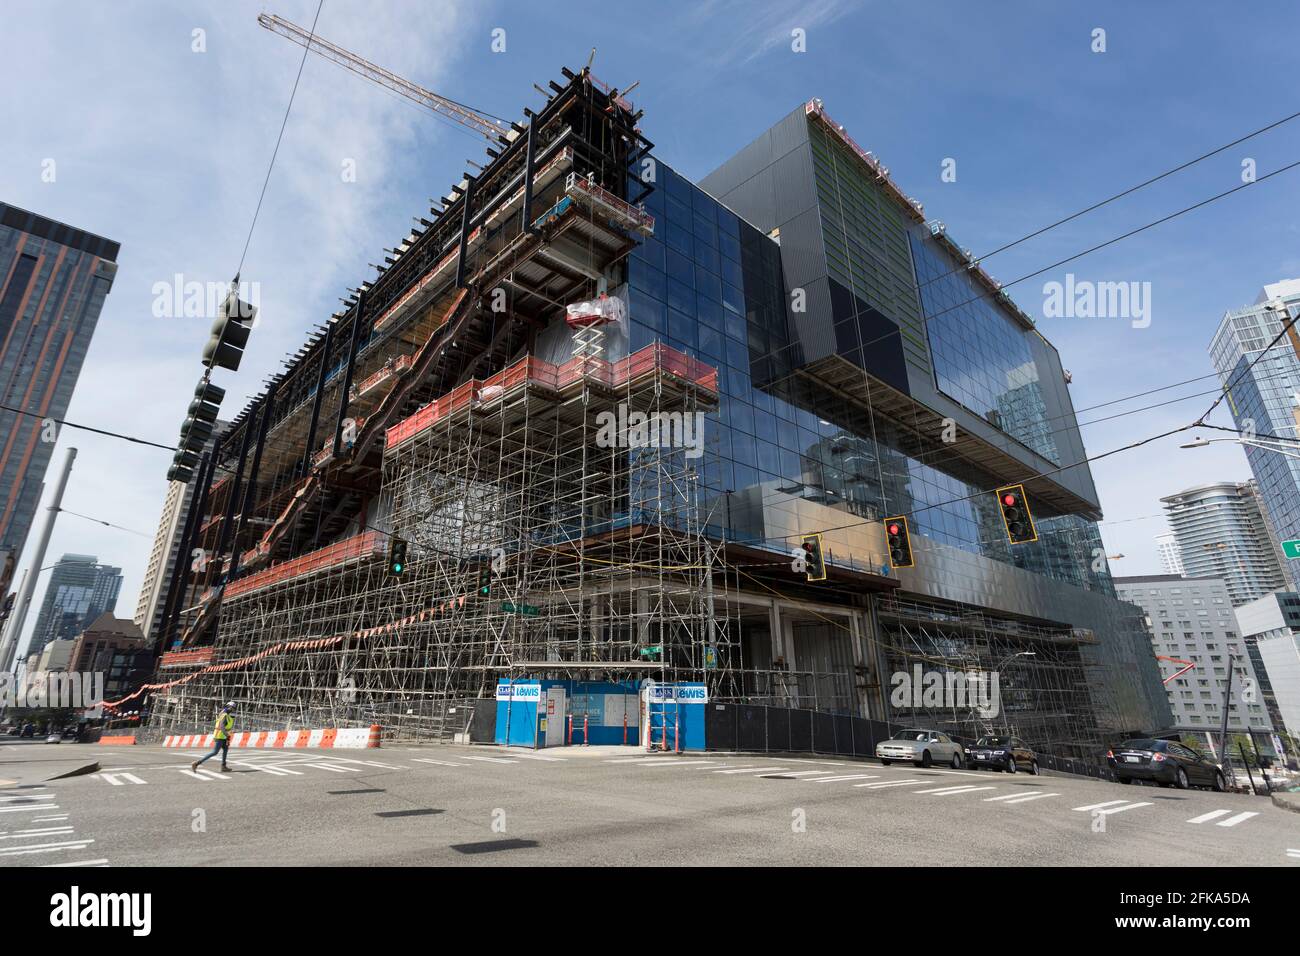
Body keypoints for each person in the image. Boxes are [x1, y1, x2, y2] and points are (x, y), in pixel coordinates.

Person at [192, 703, 236, 773]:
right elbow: (222, 727)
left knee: (225, 749)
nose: (233, 709)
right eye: (232, 708)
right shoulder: (224, 715)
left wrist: (227, 736)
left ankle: (223, 766)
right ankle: (197, 763)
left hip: (224, 736)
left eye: (234, 708)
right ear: (228, 707)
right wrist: (227, 735)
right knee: (214, 752)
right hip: (219, 736)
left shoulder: (227, 716)